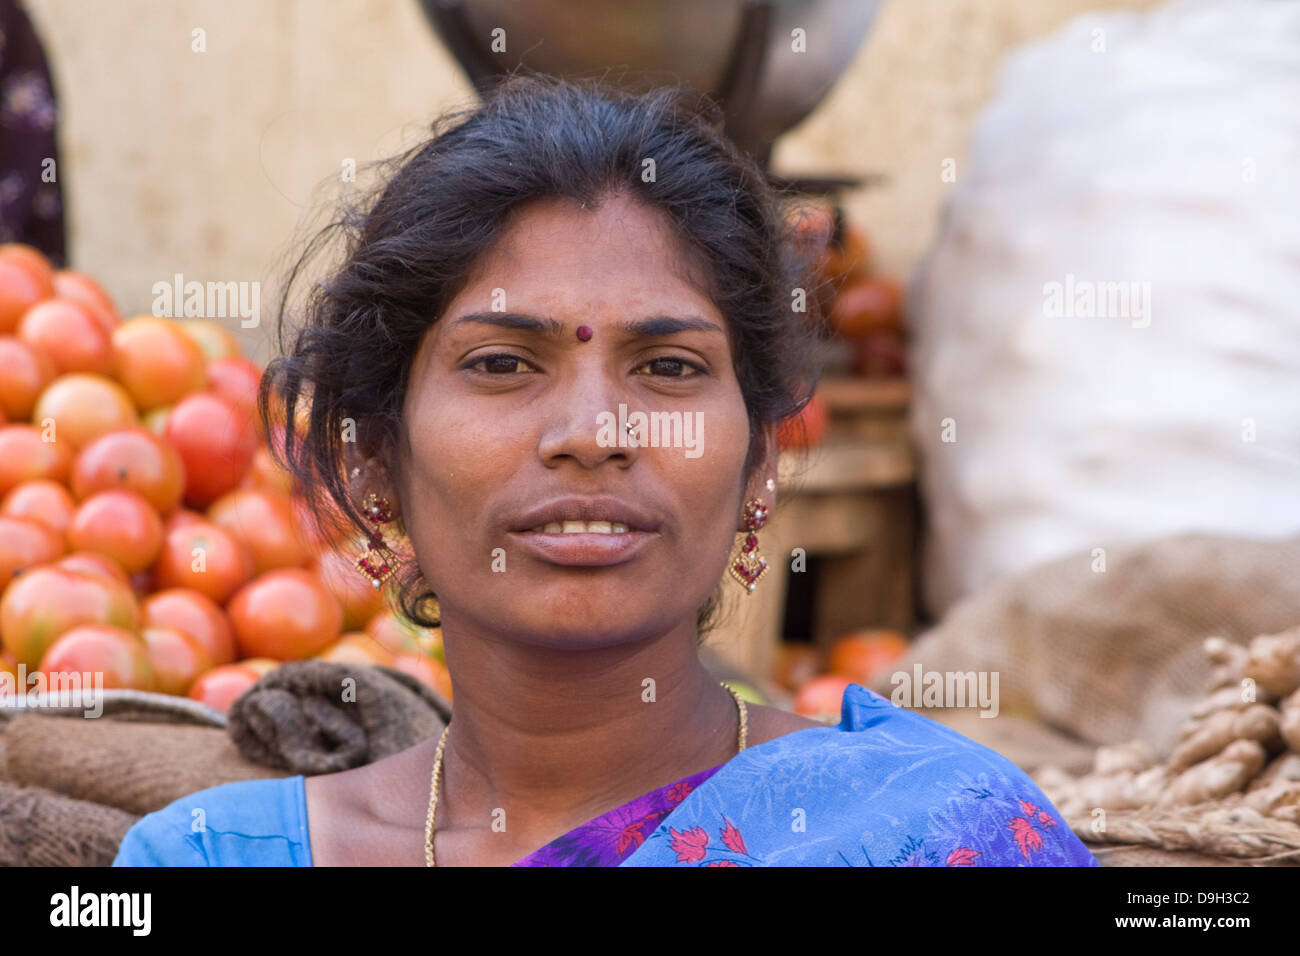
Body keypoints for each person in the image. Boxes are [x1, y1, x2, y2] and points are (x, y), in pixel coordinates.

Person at [114, 74, 1098, 867]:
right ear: (375, 456)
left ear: (759, 458)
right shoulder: (200, 858)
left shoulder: (924, 831)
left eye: (668, 367)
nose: (593, 431)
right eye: (501, 362)